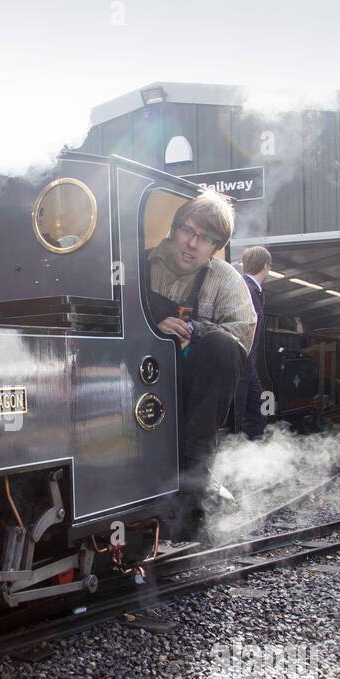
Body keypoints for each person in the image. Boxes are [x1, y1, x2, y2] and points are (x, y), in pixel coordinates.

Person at [146, 192, 257, 493]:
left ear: (216, 247)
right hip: (140, 375)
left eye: (205, 238)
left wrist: (193, 330)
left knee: (222, 345)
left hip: (193, 383)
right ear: (174, 228)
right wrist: (151, 327)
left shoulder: (227, 280)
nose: (192, 244)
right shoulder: (138, 265)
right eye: (187, 231)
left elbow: (241, 332)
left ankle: (197, 469)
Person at [233, 246, 270, 440]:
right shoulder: (247, 290)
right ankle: (229, 462)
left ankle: (251, 458)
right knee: (237, 417)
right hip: (242, 364)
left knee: (257, 412)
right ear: (266, 266)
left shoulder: (253, 290)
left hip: (248, 366)